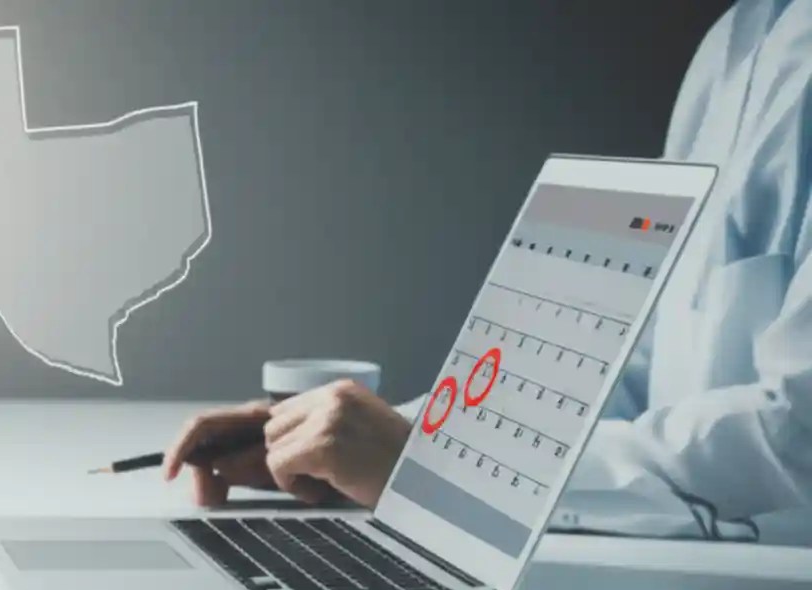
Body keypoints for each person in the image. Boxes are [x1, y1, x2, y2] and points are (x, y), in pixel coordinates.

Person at [163, 0, 812, 534]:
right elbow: (635, 377)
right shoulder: (740, 37)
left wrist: (444, 471)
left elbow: (799, 437)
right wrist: (375, 443)